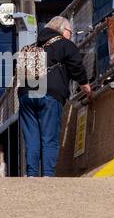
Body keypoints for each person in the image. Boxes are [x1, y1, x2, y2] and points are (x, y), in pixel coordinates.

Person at [18, 15, 92, 177]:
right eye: (70, 32)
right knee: (49, 137)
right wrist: (86, 87)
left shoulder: (32, 46)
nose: (71, 36)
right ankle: (48, 175)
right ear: (63, 30)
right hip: (49, 95)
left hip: (26, 95)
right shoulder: (65, 45)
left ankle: (31, 175)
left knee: (32, 138)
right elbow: (77, 67)